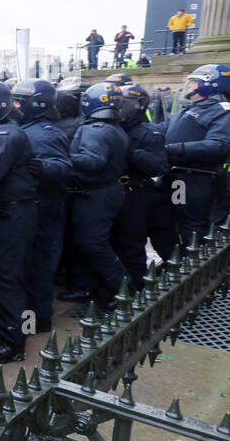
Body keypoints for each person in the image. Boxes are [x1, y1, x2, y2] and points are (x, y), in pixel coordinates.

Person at [0, 80, 36, 363]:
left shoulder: (5, 135)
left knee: (6, 277)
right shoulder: (3, 131)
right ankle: (5, 324)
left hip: (12, 212)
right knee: (0, 274)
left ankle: (13, 342)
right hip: (6, 211)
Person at [11, 79, 71, 333]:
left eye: (18, 102)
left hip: (43, 205)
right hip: (32, 204)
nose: (14, 106)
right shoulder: (26, 127)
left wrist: (45, 168)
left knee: (37, 265)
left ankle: (37, 319)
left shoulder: (46, 133)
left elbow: (65, 166)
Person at [66, 82, 130, 314]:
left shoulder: (97, 129)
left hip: (98, 193)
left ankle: (122, 289)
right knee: (85, 241)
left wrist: (64, 157)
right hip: (103, 191)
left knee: (94, 244)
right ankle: (87, 287)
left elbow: (93, 162)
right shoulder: (110, 126)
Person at [164, 64, 230, 245]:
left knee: (192, 225)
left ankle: (193, 264)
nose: (190, 87)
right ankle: (179, 259)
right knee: (175, 218)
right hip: (179, 177)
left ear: (210, 85)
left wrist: (175, 149)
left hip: (198, 179)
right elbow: (162, 129)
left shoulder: (222, 111)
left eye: (194, 83)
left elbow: (219, 145)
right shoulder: (191, 109)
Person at [111, 80, 169, 286]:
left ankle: (135, 287)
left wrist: (132, 152)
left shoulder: (149, 132)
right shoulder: (113, 126)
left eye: (125, 102)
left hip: (135, 192)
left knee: (130, 242)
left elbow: (159, 166)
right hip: (110, 191)